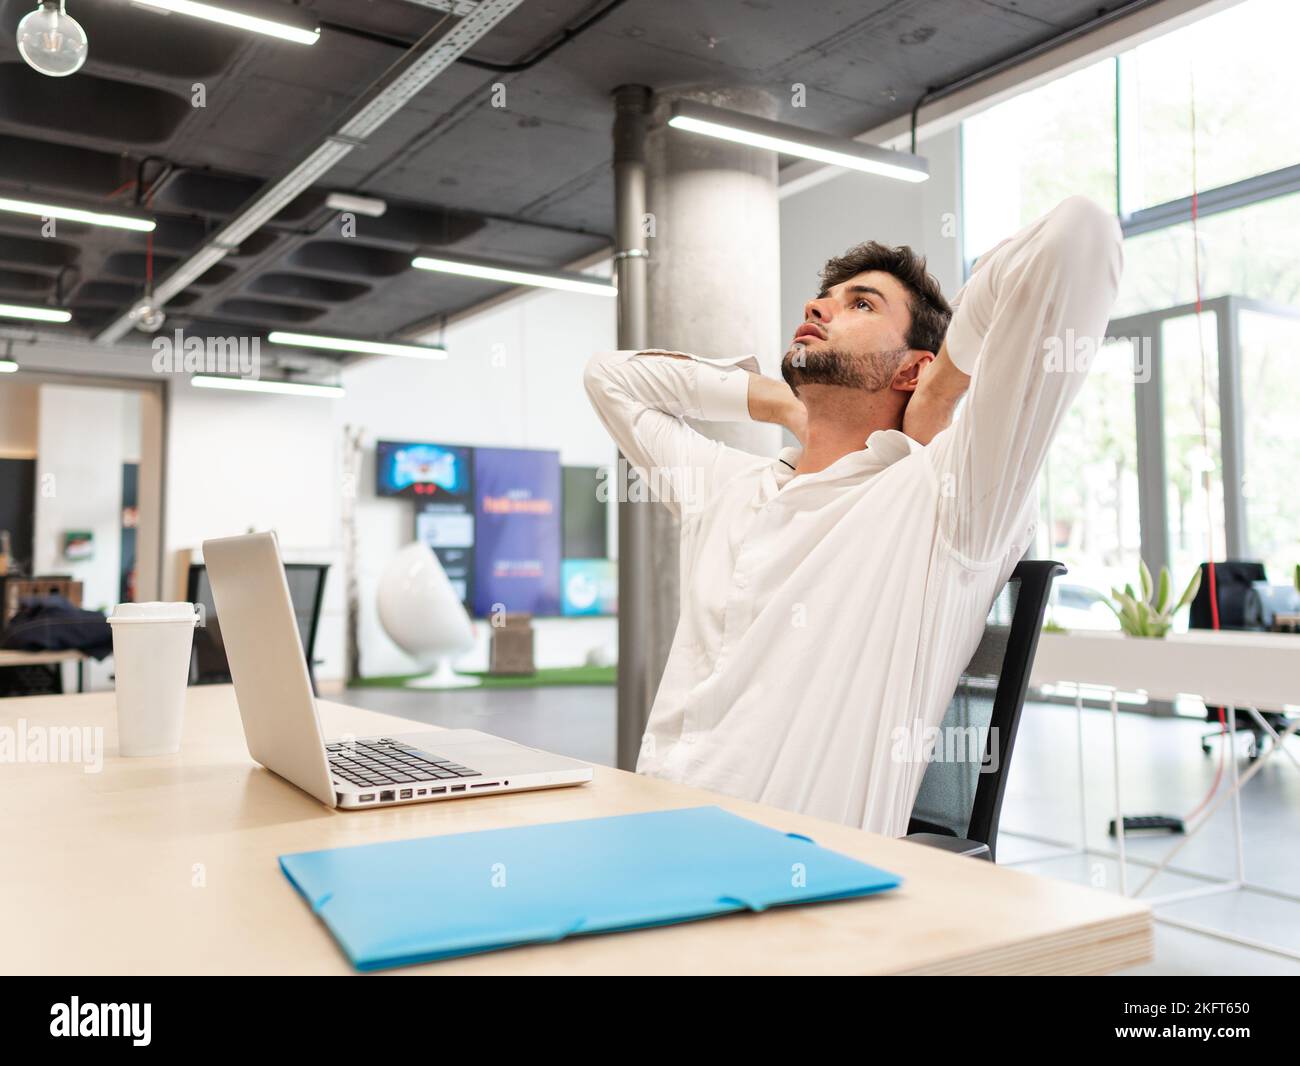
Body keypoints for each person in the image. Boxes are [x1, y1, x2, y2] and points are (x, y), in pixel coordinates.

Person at [584, 196, 1123, 835]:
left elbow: (1079, 239)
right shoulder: (729, 487)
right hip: (651, 841)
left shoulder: (947, 496)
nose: (817, 308)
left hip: (799, 894)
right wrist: (786, 404)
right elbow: (610, 377)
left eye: (861, 304)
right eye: (825, 299)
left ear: (912, 368)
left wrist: (943, 386)